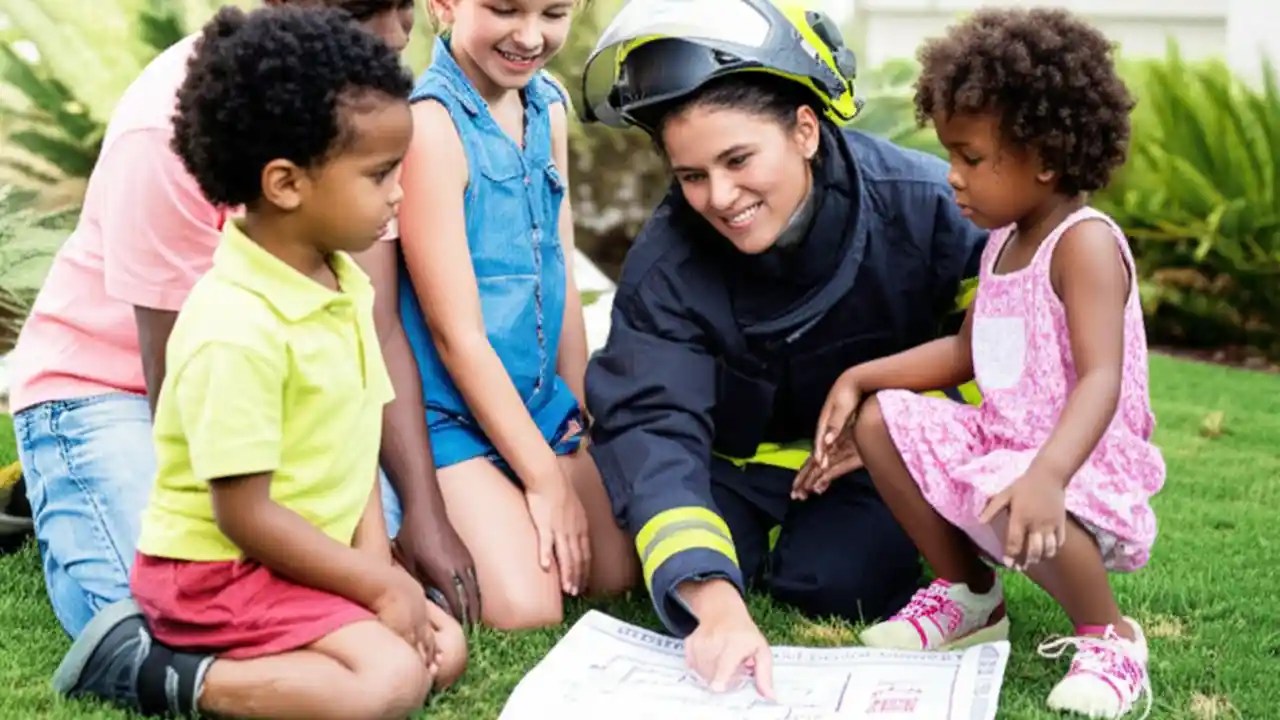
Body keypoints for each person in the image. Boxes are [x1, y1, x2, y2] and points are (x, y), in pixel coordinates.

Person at [7, 0, 483, 642]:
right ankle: (71, 497)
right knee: (156, 620)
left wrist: (423, 511)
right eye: (369, 10)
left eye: (406, 4)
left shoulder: (364, 124)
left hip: (286, 384)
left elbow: (374, 327)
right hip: (126, 390)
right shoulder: (164, 128)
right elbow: (173, 384)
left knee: (388, 586)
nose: (398, 33)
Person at [578, 0, 988, 696]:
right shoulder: (666, 264)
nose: (720, 197)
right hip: (730, 470)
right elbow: (654, 427)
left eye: (739, 159)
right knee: (685, 568)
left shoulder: (929, 210)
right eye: (691, 175)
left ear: (804, 129)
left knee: (838, 582)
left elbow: (1011, 361)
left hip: (876, 465)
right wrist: (712, 603)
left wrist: (906, 423)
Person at [814, 8, 1161, 719]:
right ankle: (970, 594)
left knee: (1010, 479)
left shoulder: (1083, 244)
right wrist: (859, 379)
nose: (953, 177)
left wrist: (1048, 473)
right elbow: (967, 354)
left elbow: (1102, 377)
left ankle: (1112, 637)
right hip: (1007, 445)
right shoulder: (1002, 241)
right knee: (882, 422)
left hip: (1079, 459)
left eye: (971, 158)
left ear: (1045, 156)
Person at [391, 0, 638, 630]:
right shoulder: (430, 127)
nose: (530, 37)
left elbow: (559, 272)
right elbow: (458, 336)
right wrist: (545, 481)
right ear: (444, 6)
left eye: (553, 13)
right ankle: (401, 546)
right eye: (504, 10)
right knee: (528, 608)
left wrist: (581, 419)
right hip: (453, 415)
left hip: (538, 401)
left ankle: (522, 492)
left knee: (615, 574)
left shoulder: (547, 104)